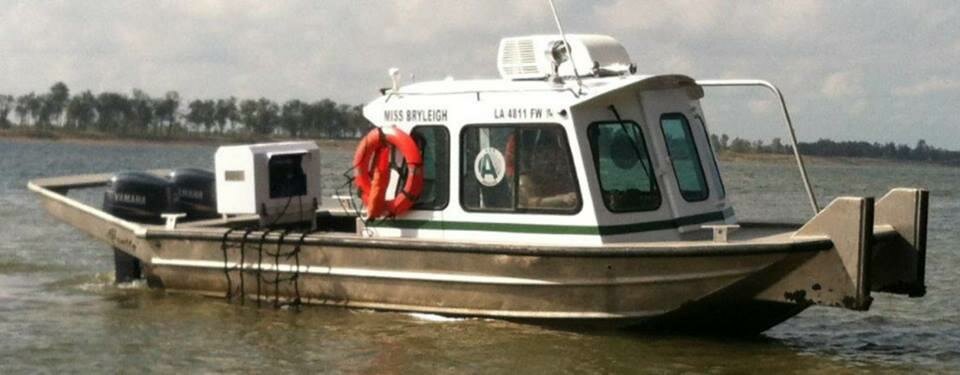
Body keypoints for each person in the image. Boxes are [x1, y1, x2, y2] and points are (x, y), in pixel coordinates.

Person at [516, 131, 578, 210]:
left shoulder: (561, 178)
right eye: (544, 156)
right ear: (534, 157)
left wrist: (572, 196)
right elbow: (528, 202)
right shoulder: (524, 180)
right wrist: (562, 199)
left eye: (553, 156)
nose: (548, 161)